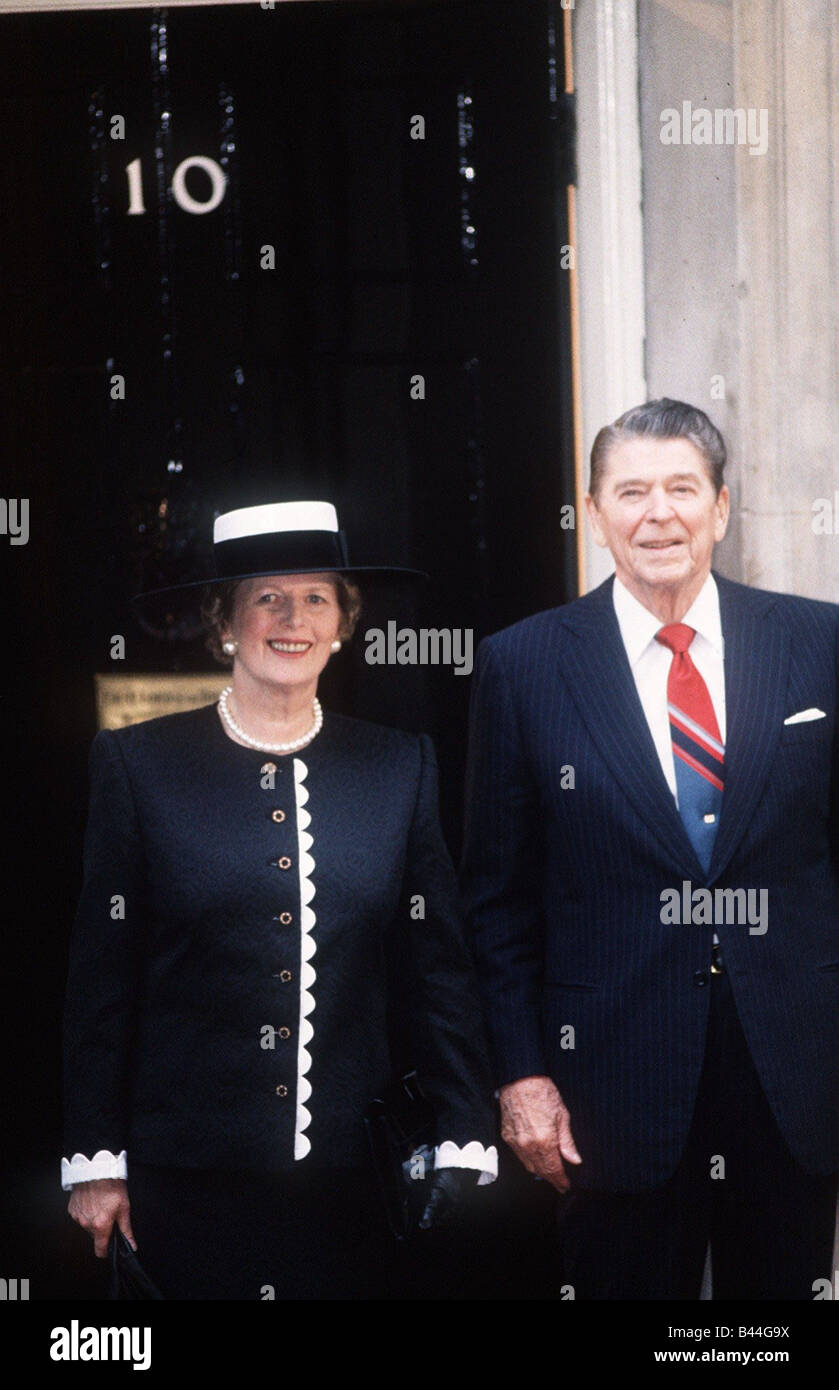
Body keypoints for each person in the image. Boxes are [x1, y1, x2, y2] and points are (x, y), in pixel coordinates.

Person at [63, 499, 497, 1300]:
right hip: (185, 1177)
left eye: (316, 599)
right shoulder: (138, 764)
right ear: (224, 622)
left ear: (342, 624)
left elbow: (437, 969)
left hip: (350, 1179)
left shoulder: (398, 767)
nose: (291, 618)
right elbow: (102, 978)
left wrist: (463, 1129)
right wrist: (96, 1161)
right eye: (266, 597)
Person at [461, 399, 839, 1300]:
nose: (655, 513)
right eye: (629, 491)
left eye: (680, 488)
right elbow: (495, 899)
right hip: (609, 1081)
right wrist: (520, 1075)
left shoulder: (819, 643)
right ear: (593, 515)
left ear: (720, 508)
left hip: (793, 1070)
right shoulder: (520, 666)